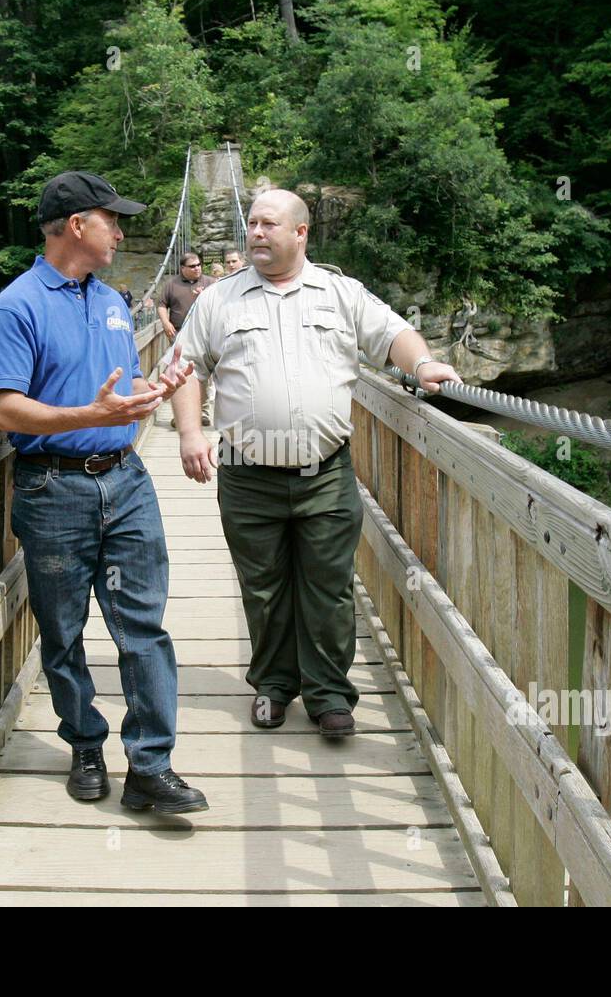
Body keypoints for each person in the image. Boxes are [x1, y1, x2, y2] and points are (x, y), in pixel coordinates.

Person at [171, 189, 461, 737]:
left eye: (268, 224)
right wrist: (190, 432)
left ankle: (330, 696)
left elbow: (392, 333)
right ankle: (275, 686)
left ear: (300, 233)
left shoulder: (340, 293)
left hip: (322, 472)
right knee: (263, 586)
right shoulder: (219, 300)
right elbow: (185, 367)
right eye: (251, 222)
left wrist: (421, 363)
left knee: (327, 586)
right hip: (247, 473)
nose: (255, 232)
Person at [0, 170, 207, 813]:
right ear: (77, 225)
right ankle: (85, 742)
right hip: (53, 487)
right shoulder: (16, 305)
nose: (122, 230)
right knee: (63, 630)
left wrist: (149, 394)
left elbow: (124, 382)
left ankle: (150, 767)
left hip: (126, 478)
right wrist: (91, 415)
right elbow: (9, 412)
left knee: (144, 627)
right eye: (113, 219)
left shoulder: (112, 301)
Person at [158, 252, 216, 428]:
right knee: (179, 374)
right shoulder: (171, 284)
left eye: (199, 264)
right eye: (192, 266)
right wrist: (165, 322)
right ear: (182, 268)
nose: (197, 268)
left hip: (205, 335)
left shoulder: (211, 283)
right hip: (180, 336)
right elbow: (161, 304)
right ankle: (181, 415)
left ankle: (203, 412)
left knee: (202, 375)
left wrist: (204, 297)